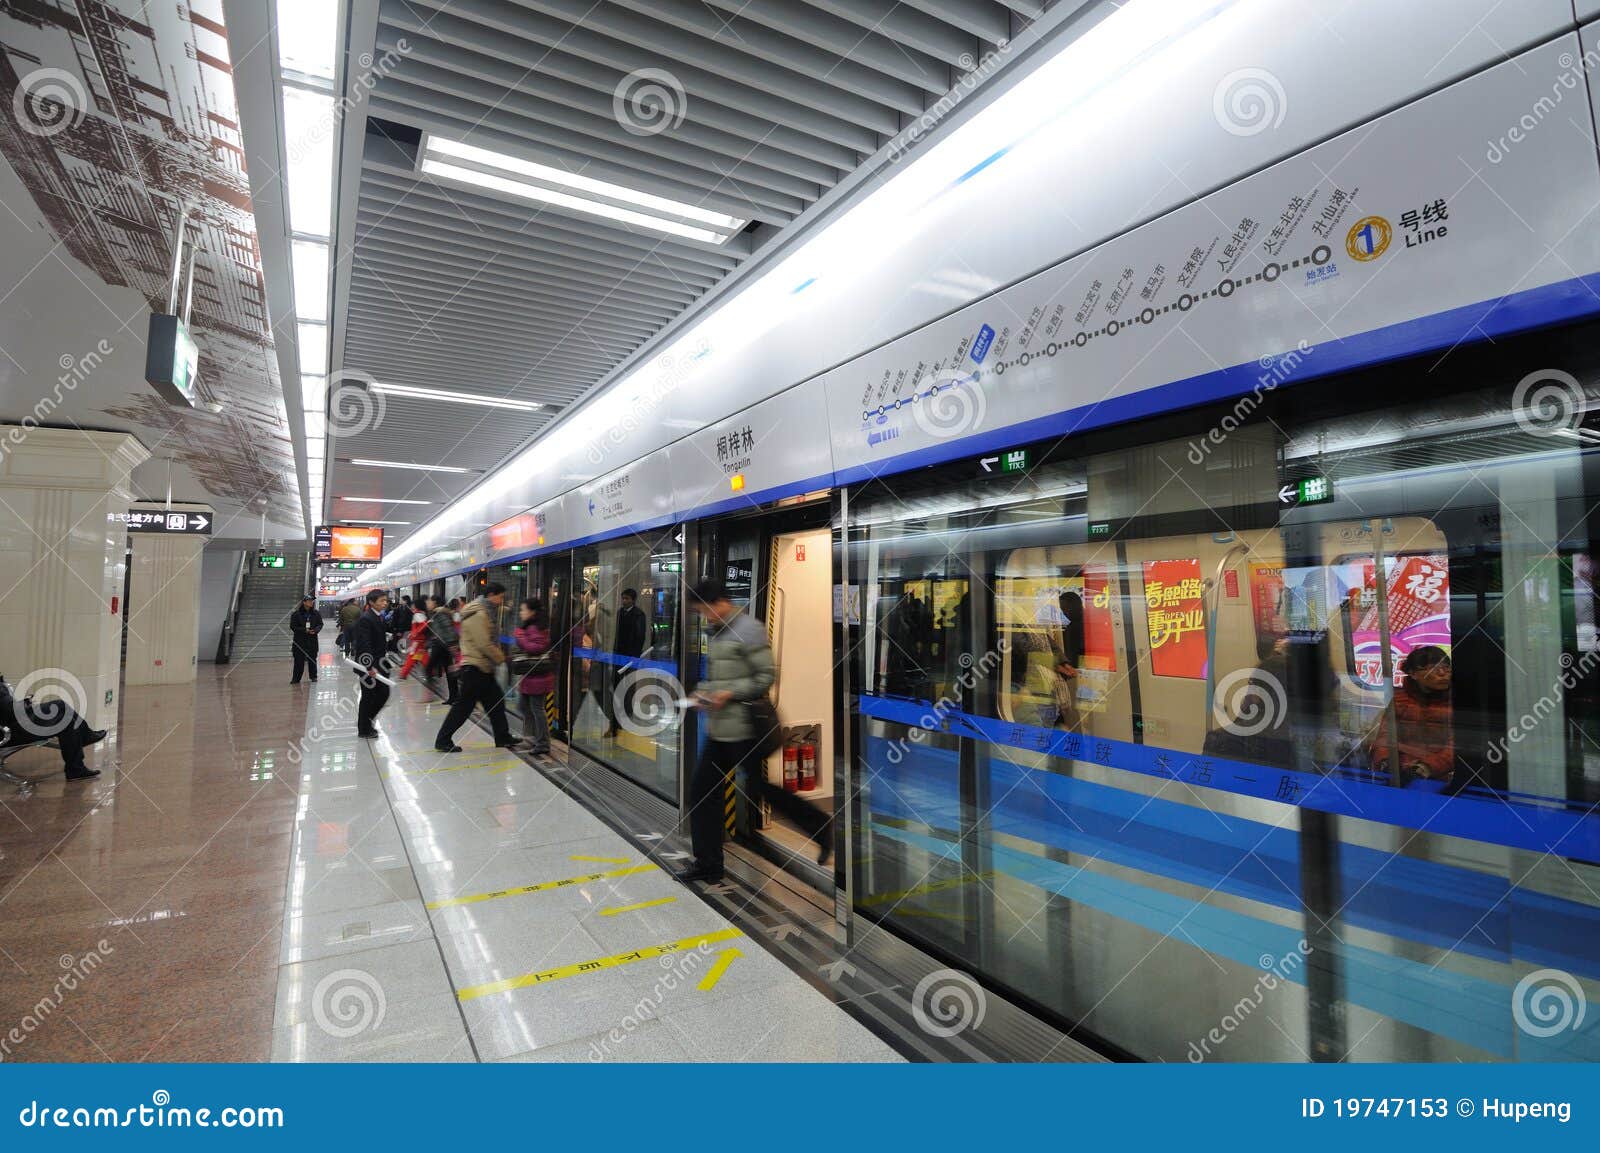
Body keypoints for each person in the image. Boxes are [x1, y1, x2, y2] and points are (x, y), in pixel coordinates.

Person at [680, 580, 830, 883]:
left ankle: (823, 830)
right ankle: (708, 864)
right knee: (702, 793)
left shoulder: (749, 629)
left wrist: (729, 693)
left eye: (705, 610)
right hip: (720, 729)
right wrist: (704, 693)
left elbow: (766, 677)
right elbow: (718, 676)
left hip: (746, 728)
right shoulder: (717, 633)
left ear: (720, 602)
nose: (705, 616)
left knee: (761, 790)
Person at [433, 582, 516, 752]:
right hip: (476, 667)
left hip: (482, 667)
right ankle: (443, 740)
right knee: (463, 707)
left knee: (496, 703)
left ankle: (503, 737)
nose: (501, 601)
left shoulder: (484, 611)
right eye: (500, 597)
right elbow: (484, 643)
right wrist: (501, 658)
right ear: (491, 595)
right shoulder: (479, 614)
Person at [1369, 645, 1455, 784]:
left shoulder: (1456, 702)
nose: (1443, 673)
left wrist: (1425, 768)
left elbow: (1455, 747)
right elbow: (1385, 737)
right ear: (1413, 673)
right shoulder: (1400, 700)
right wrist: (1386, 762)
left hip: (1439, 775)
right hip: (1400, 771)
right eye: (1433, 668)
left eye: (1446, 667)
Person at [0, 674, 107, 781]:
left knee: (60, 705)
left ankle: (85, 739)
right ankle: (76, 767)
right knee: (65, 721)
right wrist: (25, 703)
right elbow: (9, 711)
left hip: (14, 725)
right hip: (10, 732)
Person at [512, 598, 555, 756]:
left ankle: (543, 743)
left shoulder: (537, 628)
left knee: (537, 709)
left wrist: (520, 637)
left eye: (523, 609)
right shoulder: (530, 627)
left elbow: (536, 648)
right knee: (523, 706)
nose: (520, 613)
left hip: (538, 677)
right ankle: (533, 737)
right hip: (531, 676)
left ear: (532, 612)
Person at [352, 589, 393, 739]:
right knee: (370, 696)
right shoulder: (366, 619)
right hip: (370, 665)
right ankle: (364, 728)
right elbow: (364, 645)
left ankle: (366, 723)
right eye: (381, 601)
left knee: (380, 694)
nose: (385, 603)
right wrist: (369, 667)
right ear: (371, 602)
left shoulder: (378, 617)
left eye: (385, 600)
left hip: (379, 662)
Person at [609, 588, 647, 737]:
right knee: (617, 683)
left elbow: (640, 637)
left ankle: (628, 712)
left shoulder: (639, 615)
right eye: (623, 598)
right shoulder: (620, 613)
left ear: (633, 600)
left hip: (630, 656)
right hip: (619, 654)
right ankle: (618, 712)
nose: (624, 601)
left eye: (627, 599)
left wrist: (634, 657)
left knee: (629, 684)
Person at [1050, 589, 1085, 732]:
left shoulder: (1069, 627)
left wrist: (1062, 665)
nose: (1062, 611)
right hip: (1071, 673)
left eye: (1064, 607)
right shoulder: (1072, 625)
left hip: (1072, 674)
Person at [424, 595, 457, 698]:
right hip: (440, 644)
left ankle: (432, 692)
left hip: (442, 645)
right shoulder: (435, 613)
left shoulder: (440, 613)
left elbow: (448, 629)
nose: (427, 603)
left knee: (430, 668)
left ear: (435, 603)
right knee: (448, 671)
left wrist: (452, 644)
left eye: (429, 601)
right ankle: (453, 696)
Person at [289, 594, 323, 684]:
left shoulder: (316, 613)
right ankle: (296, 678)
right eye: (309, 601)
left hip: (312, 640)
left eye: (312, 601)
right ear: (304, 602)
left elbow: (320, 624)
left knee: (312, 659)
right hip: (300, 641)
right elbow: (293, 626)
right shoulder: (296, 614)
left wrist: (315, 630)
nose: (311, 602)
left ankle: (313, 676)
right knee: (298, 660)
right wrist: (305, 630)